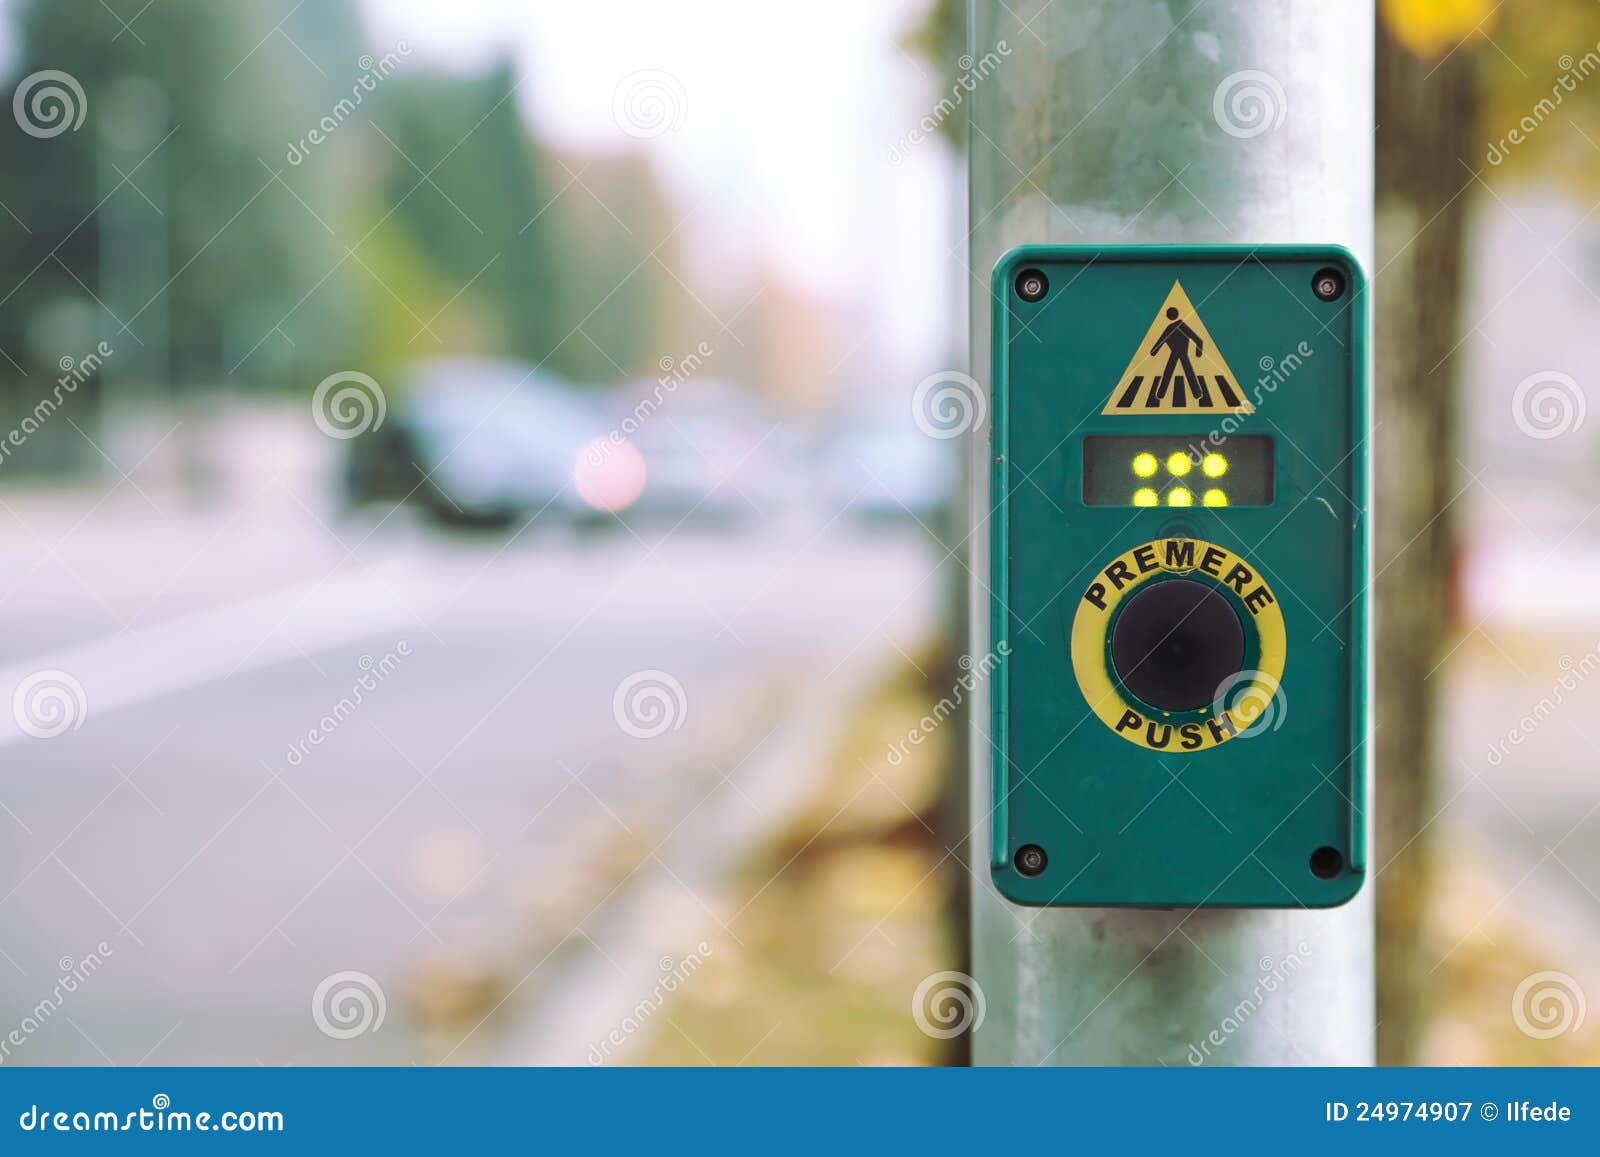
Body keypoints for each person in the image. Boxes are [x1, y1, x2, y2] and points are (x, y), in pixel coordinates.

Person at [1149, 307, 1209, 405]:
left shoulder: (1170, 328)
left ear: (1169, 316)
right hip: (1181, 353)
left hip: (1177, 353)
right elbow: (1199, 340)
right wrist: (1198, 354)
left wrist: (1153, 352)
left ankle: (1160, 394)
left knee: (1169, 372)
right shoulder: (1182, 327)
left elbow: (1160, 342)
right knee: (1187, 372)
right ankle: (1197, 393)